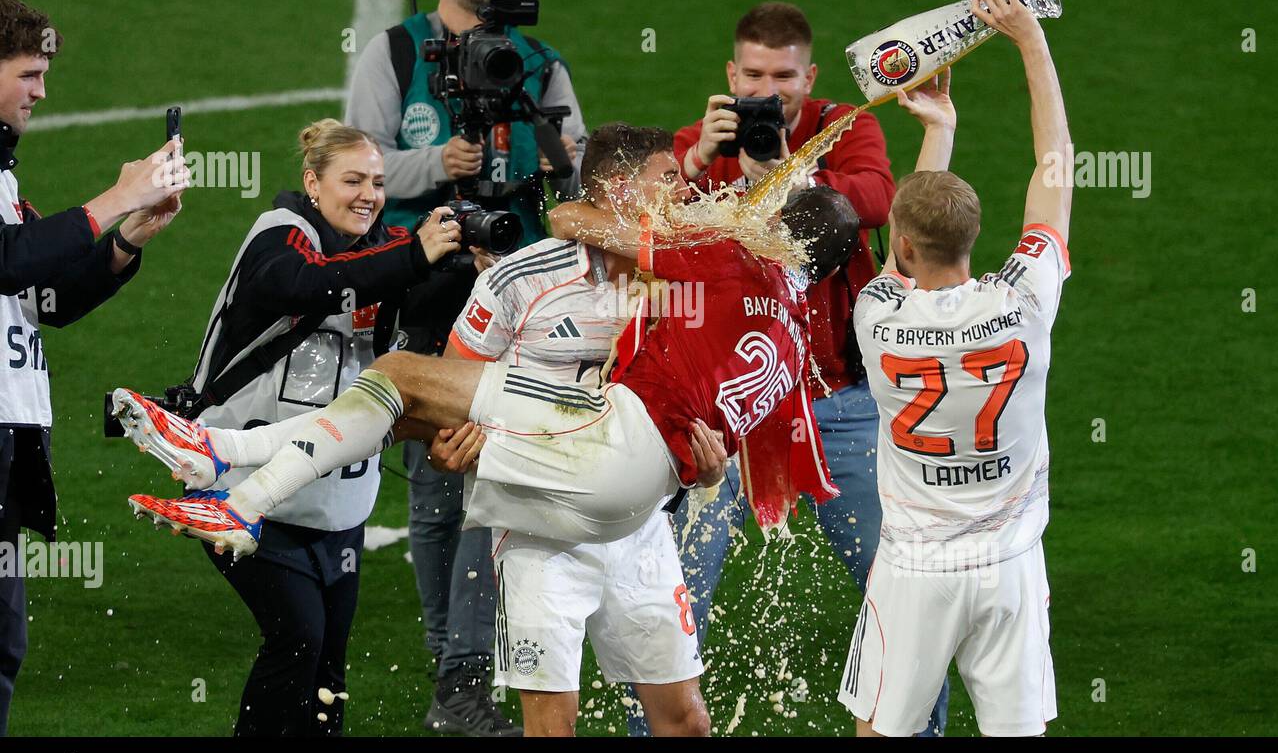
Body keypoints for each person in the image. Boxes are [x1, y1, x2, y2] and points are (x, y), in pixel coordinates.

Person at [113, 181, 861, 602]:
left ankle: (230, 480)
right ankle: (219, 467)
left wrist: (702, 222)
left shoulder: (728, 257)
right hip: (642, 494)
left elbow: (571, 218)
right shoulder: (798, 335)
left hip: (609, 443)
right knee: (403, 404)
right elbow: (766, 478)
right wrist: (712, 469)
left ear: (779, 230)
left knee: (402, 374)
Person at [114, 119, 462, 736]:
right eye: (352, 180)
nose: (369, 194)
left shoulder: (389, 251)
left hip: (337, 507)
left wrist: (471, 266)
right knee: (298, 638)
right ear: (312, 182)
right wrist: (414, 256)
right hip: (241, 491)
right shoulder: (279, 233)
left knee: (328, 669)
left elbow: (434, 329)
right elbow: (301, 284)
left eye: (378, 182)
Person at [345, 0, 586, 735]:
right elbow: (355, 176)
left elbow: (574, 178)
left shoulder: (542, 63)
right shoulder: (396, 51)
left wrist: (544, 159)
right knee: (436, 490)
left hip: (517, 293)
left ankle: (464, 672)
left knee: (492, 479)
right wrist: (429, 165)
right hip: (426, 293)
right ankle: (456, 664)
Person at [672, 1, 948, 736]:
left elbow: (881, 200)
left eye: (784, 75)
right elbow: (647, 218)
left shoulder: (845, 124)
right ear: (731, 75)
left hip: (837, 400)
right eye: (755, 74)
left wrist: (792, 175)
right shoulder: (704, 142)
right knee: (672, 598)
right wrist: (700, 159)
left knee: (901, 589)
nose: (771, 90)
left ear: (810, 74)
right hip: (726, 410)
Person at [839, 0, 1072, 737]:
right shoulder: (1025, 300)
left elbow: (907, 240)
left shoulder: (877, 314)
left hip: (913, 572)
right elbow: (1055, 166)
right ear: (975, 237)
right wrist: (1029, 41)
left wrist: (938, 127)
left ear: (901, 246)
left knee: (880, 731)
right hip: (1009, 564)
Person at [438, 123, 719, 736]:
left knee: (686, 721)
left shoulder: (681, 283)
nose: (684, 190)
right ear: (621, 191)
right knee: (552, 728)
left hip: (639, 524)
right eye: (667, 179)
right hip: (539, 531)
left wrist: (710, 465)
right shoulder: (520, 281)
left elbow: (695, 405)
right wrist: (454, 445)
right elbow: (451, 392)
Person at [0, 0, 188, 735]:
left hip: (13, 439)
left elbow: (41, 299)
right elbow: (9, 262)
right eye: (27, 72)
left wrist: (127, 238)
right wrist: (114, 196)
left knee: (4, 647)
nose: (42, 90)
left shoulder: (5, 180)